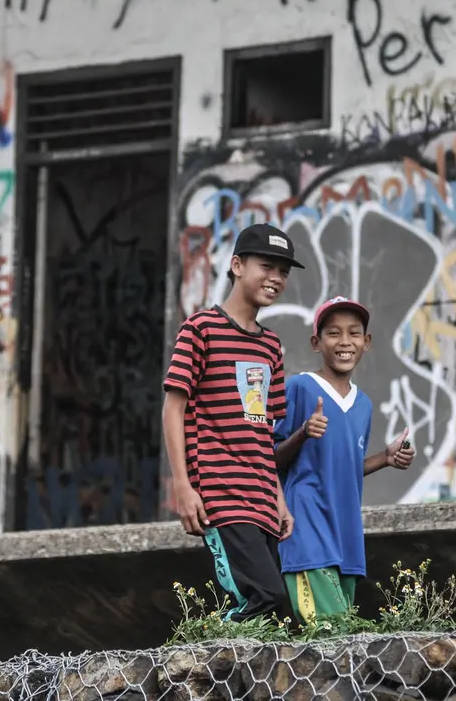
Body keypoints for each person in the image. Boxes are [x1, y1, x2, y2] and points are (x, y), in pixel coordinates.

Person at [162, 223, 304, 622]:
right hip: (221, 496)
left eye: (283, 272)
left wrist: (278, 499)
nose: (276, 278)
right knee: (265, 597)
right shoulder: (200, 329)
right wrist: (182, 486)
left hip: (262, 499)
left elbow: (263, 433)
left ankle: (223, 659)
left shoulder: (270, 346)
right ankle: (201, 649)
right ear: (237, 266)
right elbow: (172, 409)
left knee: (272, 615)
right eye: (267, 267)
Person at [273, 296, 416, 625]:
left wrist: (386, 458)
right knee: (332, 631)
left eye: (354, 333)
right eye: (333, 333)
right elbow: (270, 459)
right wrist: (303, 432)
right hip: (307, 527)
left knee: (339, 636)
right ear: (316, 343)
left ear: (366, 342)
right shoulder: (300, 387)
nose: (344, 341)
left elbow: (343, 469)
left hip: (346, 535)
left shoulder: (363, 404)